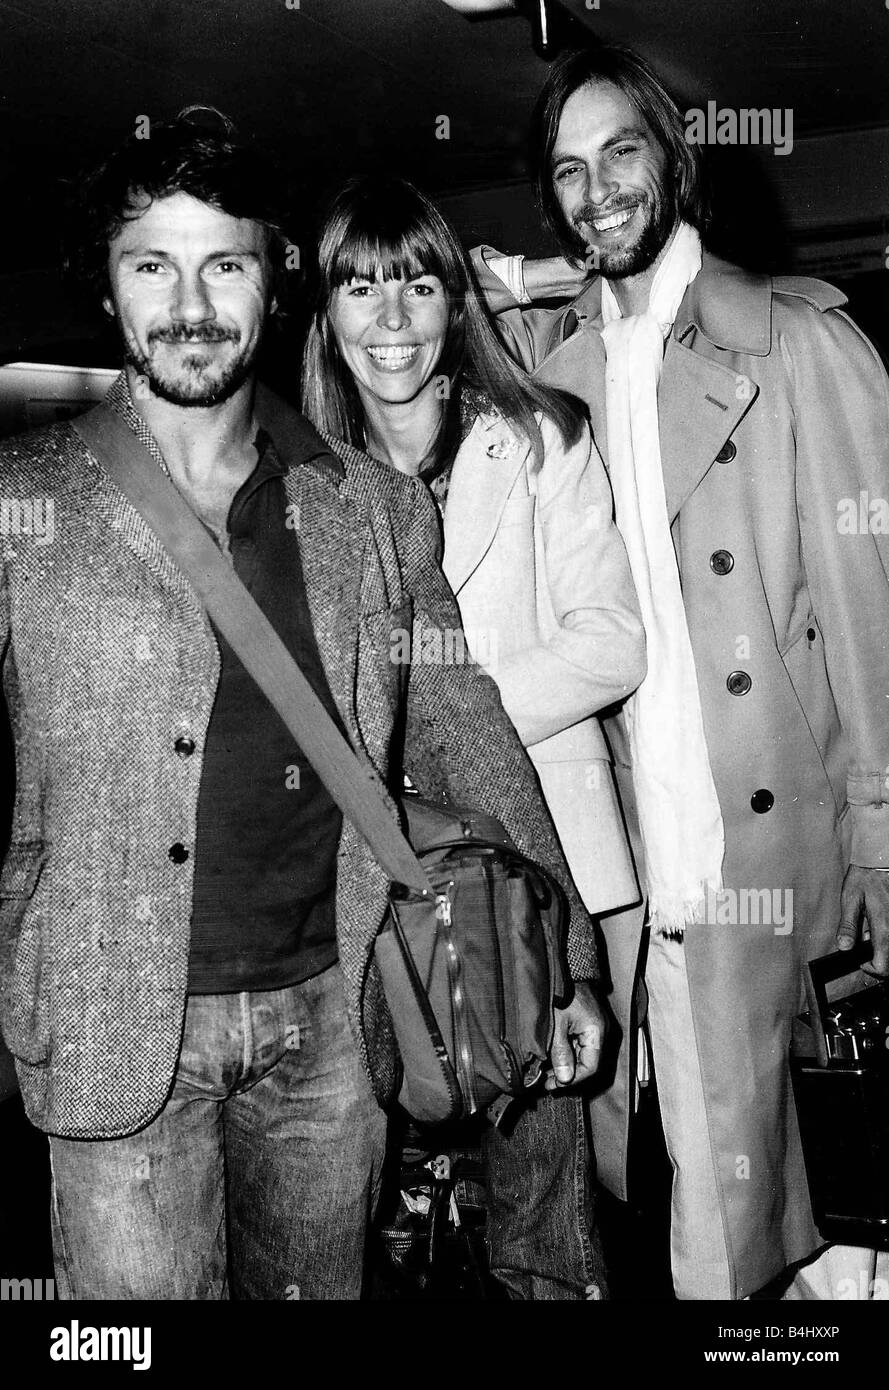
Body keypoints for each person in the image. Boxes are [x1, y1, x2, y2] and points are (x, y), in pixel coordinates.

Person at [0, 109, 609, 1300]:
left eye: (222, 263)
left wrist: (567, 960)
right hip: (112, 1021)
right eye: (152, 265)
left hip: (326, 1025)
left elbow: (468, 738)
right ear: (110, 292)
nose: (190, 301)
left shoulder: (371, 510)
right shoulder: (25, 502)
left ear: (273, 281)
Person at [471, 43, 889, 1301]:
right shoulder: (554, 380)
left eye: (620, 153)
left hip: (774, 865)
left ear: (674, 156)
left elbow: (875, 634)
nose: (595, 191)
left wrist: (880, 855)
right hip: (637, 887)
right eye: (566, 172)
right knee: (705, 1221)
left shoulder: (799, 347)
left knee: (793, 1240)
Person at [301, 174, 645, 1299]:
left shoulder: (539, 437)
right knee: (370, 1199)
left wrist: (430, 718)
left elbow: (611, 645)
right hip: (369, 885)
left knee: (545, 1204)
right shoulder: (297, 487)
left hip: (532, 865)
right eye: (359, 288)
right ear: (327, 314)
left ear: (456, 303)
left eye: (416, 285)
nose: (390, 320)